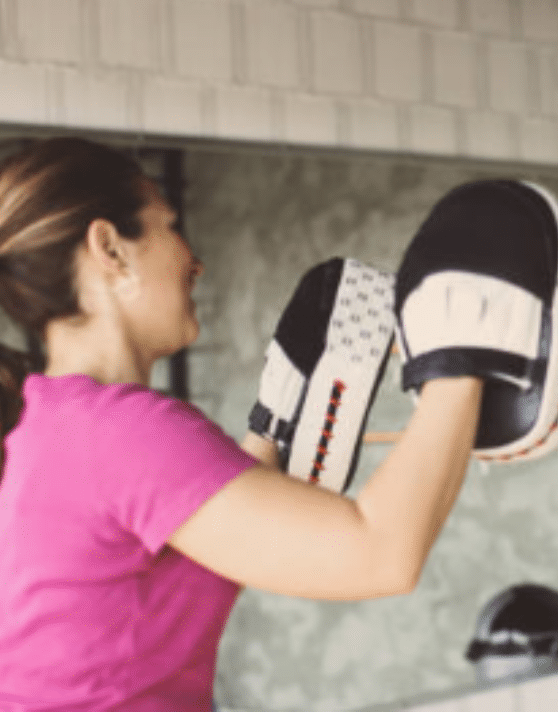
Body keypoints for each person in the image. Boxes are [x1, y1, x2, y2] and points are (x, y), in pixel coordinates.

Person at [0, 137, 490, 709]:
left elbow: (204, 538)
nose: (193, 259)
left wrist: (272, 429)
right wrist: (460, 357)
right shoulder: (121, 432)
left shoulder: (50, 422)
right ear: (110, 249)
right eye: (169, 226)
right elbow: (381, 553)